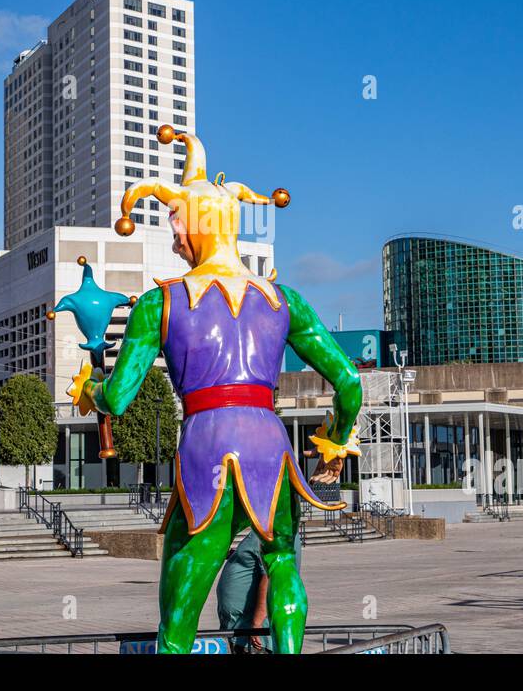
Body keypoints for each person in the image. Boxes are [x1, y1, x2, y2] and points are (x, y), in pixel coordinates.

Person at [68, 125, 360, 654]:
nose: (176, 241)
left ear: (199, 228)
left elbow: (119, 398)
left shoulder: (160, 305)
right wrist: (335, 443)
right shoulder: (282, 299)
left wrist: (92, 386)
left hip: (205, 444)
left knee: (180, 596)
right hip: (271, 444)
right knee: (284, 563)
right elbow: (350, 381)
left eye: (177, 227)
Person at [216, 527, 304, 653]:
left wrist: (256, 624)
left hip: (253, 635)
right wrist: (237, 556)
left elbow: (270, 579)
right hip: (242, 629)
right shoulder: (267, 530)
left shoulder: (273, 532)